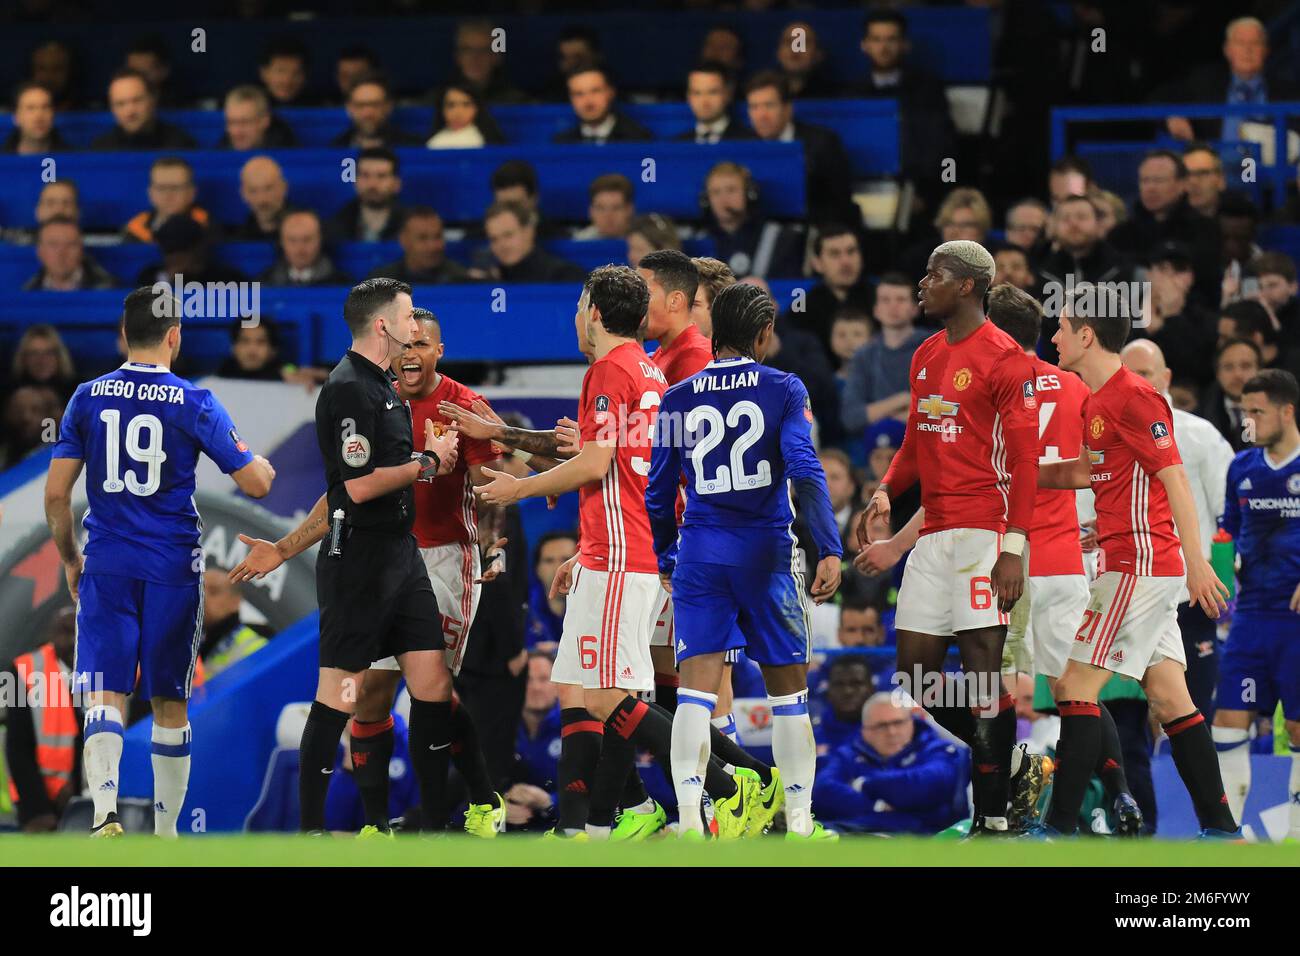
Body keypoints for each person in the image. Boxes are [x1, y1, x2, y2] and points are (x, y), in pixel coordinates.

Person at [470, 266, 756, 840]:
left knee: (606, 696)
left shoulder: (609, 369)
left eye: (579, 305)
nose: (575, 316)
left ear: (596, 312)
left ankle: (732, 784)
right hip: (619, 548)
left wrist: (517, 489)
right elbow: (611, 468)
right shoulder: (648, 370)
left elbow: (598, 464)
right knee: (583, 687)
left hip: (621, 552)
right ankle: (590, 826)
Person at [230, 304, 507, 836]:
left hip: (447, 557)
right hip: (383, 561)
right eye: (406, 344)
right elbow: (342, 496)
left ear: (439, 351)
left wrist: (495, 547)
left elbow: (491, 486)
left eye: (423, 345)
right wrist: (285, 548)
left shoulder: (464, 406)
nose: (412, 354)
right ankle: (378, 824)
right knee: (373, 694)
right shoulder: (377, 401)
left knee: (434, 691)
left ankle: (473, 801)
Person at [44, 286, 276, 837]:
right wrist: (261, 464)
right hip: (173, 567)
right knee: (170, 698)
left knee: (104, 689)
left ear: (124, 336)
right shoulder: (195, 403)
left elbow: (56, 496)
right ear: (175, 335)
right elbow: (256, 484)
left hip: (106, 563)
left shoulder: (87, 397)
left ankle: (102, 811)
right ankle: (168, 834)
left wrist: (71, 558)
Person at [1033, 279, 1239, 839]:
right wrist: (1015, 473)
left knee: (1074, 687)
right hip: (1133, 556)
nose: (1053, 336)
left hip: (1141, 567)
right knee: (1172, 697)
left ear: (1087, 334)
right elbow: (1084, 473)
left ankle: (1055, 831)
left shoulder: (1136, 397)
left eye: (1061, 327)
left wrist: (1197, 563)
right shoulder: (1100, 402)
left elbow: (1174, 478)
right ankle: (1221, 829)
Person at [852, 241, 1039, 836]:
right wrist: (885, 489)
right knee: (916, 674)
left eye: (935, 274)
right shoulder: (928, 354)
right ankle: (1010, 762)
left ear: (967, 286)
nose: (922, 283)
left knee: (983, 673)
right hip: (934, 534)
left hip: (985, 532)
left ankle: (994, 818)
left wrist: (1013, 548)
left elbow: (1028, 463)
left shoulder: (1006, 359)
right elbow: (916, 440)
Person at [646, 281, 843, 840]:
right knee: (789, 699)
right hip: (767, 554)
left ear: (713, 334)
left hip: (701, 554)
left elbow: (658, 493)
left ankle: (691, 823)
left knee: (692, 696)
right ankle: (800, 824)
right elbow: (805, 468)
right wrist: (828, 545)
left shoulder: (677, 397)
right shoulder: (784, 387)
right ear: (762, 334)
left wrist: (667, 552)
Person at [637, 251, 779, 835]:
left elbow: (660, 462)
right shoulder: (668, 359)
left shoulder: (692, 362)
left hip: (698, 541)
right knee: (670, 681)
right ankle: (734, 800)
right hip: (694, 542)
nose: (694, 320)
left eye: (698, 306)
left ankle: (736, 801)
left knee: (699, 682)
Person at [1122, 339, 1235, 718]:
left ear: (1166, 377)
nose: (1136, 382)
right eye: (1129, 373)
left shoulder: (1201, 435)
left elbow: (1230, 511)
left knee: (1194, 704)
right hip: (1131, 590)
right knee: (1133, 712)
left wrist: (1226, 573)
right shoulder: (1105, 431)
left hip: (1191, 589)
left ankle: (1197, 777)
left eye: (1145, 374)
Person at [1211, 369, 1300, 841]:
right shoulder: (1242, 468)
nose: (1249, 422)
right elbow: (1227, 532)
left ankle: (1297, 834)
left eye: (1258, 412)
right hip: (1250, 618)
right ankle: (1230, 832)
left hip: (1296, 622)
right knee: (1228, 718)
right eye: (1246, 412)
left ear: (1287, 411)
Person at [814, 693, 969, 834]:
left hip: (919, 841)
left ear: (911, 722)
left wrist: (864, 784)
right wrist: (878, 805)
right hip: (851, 835)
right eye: (881, 726)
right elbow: (822, 790)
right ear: (864, 731)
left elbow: (930, 784)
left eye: (898, 722)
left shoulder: (936, 749)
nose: (892, 732)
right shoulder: (846, 754)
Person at [856, 10, 956, 207]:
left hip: (915, 192)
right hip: (863, 189)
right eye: (876, 40)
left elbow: (943, 148)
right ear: (864, 45)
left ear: (905, 45)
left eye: (891, 40)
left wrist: (925, 194)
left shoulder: (928, 90)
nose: (883, 48)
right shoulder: (851, 94)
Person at [1108, 150, 1220, 307]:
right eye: (1145, 181)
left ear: (1182, 184)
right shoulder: (1120, 234)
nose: (1150, 188)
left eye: (1159, 180)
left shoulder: (1205, 230)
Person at [1160, 17, 1299, 143]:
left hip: (1269, 170)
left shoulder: (1289, 92)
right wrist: (1171, 116)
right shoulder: (1203, 83)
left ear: (1266, 50)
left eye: (1255, 43)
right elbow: (1159, 96)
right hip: (1216, 168)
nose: (1247, 50)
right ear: (1227, 50)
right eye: (1240, 43)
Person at [4, 607, 80, 832]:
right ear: (51, 635)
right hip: (39, 803)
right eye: (66, 632)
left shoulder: (99, 671)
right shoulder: (24, 671)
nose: (74, 640)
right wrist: (37, 811)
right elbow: (17, 748)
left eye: (79, 631)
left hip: (86, 803)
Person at [745, 71, 855, 227]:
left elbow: (840, 201)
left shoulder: (821, 143)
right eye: (754, 107)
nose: (761, 115)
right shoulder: (742, 146)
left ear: (788, 109)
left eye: (769, 105)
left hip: (812, 228)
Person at [1036, 194, 1135, 363]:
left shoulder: (1121, 270)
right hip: (1056, 369)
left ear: (1097, 223)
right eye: (1065, 218)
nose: (1074, 223)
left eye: (1082, 217)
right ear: (1054, 226)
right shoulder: (1039, 272)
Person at [840, 272, 928, 436]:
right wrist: (902, 399)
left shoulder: (932, 347)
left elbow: (946, 407)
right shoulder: (864, 356)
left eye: (900, 300)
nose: (893, 306)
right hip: (876, 448)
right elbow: (851, 417)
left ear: (915, 309)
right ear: (876, 310)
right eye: (885, 300)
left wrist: (883, 415)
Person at [700, 161, 803, 280]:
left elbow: (792, 291)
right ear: (706, 201)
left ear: (750, 194)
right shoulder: (700, 239)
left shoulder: (780, 239)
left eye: (731, 190)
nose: (723, 199)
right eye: (716, 192)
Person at [787, 225, 873, 362]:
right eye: (835, 254)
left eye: (851, 252)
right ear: (817, 264)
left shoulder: (879, 299)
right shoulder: (802, 306)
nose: (845, 262)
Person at [475, 201, 584, 283]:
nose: (501, 245)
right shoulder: (490, 283)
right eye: (494, 239)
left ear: (528, 232)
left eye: (508, 235)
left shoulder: (563, 276)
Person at [91, 69, 195, 151]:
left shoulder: (180, 145)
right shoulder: (100, 149)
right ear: (112, 109)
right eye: (120, 104)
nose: (130, 112)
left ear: (153, 99)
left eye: (137, 101)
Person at [552, 64, 652, 144]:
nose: (588, 101)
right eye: (578, 94)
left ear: (611, 92)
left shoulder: (638, 139)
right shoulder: (561, 142)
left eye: (595, 91)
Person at [368, 207, 469, 284]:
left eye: (438, 237)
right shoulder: (381, 284)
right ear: (404, 241)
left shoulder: (461, 279)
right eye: (423, 238)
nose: (433, 246)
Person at [199, 569, 270, 677]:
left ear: (235, 601)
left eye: (214, 591)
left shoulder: (257, 647)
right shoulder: (190, 637)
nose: (202, 597)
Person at [328, 147, 408, 243]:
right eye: (365, 175)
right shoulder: (337, 224)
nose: (372, 184)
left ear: (396, 184)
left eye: (381, 176)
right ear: (355, 181)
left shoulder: (411, 223)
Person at [122, 156, 209, 244]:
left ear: (192, 193)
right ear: (150, 193)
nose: (168, 195)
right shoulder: (136, 227)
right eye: (161, 188)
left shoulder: (205, 225)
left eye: (176, 188)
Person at [1200, 338, 1263, 452]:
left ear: (1260, 371)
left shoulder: (1281, 416)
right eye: (1228, 367)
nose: (1237, 374)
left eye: (1246, 366)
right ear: (1218, 374)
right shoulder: (1200, 418)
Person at [447, 18, 528, 106]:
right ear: (458, 56)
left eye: (484, 50)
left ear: (497, 56)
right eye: (467, 50)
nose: (475, 58)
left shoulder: (518, 102)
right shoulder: (436, 101)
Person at [261, 210, 352, 287]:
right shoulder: (264, 283)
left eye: (307, 239)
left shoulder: (343, 284)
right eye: (292, 240)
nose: (300, 248)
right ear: (281, 242)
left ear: (320, 240)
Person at [22, 218, 115, 291]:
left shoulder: (109, 289)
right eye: (53, 245)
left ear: (81, 251)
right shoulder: (27, 291)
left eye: (70, 244)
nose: (62, 253)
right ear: (40, 252)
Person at [331, 74, 422, 149]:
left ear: (388, 106)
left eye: (375, 105)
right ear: (349, 108)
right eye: (360, 105)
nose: (368, 113)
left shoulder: (414, 147)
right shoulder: (336, 148)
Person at [674, 61, 754, 144]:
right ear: (688, 96)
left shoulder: (748, 141)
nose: (704, 101)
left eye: (712, 92)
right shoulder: (676, 144)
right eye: (697, 93)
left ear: (728, 93)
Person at [526, 531, 578, 652]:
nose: (558, 568)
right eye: (549, 561)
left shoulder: (600, 609)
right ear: (537, 569)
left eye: (566, 559)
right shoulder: (520, 610)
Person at [814, 654, 876, 754]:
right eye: (839, 684)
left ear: (871, 688)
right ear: (828, 690)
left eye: (856, 683)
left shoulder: (887, 734)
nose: (847, 691)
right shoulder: (811, 737)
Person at [7, 324, 78, 402]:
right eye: (34, 354)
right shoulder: (9, 394)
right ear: (23, 359)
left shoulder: (78, 394)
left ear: (59, 357)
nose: (42, 361)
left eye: (48, 353)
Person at [426, 82, 505, 149]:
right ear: (442, 109)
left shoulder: (488, 142)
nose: (458, 112)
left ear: (477, 108)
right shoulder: (433, 141)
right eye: (451, 105)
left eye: (466, 105)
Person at [218, 85, 298, 150]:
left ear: (265, 122)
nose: (236, 132)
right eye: (231, 123)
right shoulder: (222, 149)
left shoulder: (286, 148)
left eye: (244, 122)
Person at [234, 155, 290, 242]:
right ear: (243, 194)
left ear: (283, 188)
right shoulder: (240, 235)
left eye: (268, 188)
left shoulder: (307, 227)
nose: (262, 199)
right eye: (253, 191)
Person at [3, 82, 70, 154]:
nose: (39, 116)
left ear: (53, 114)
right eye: (30, 108)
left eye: (45, 107)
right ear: (16, 117)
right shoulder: (3, 157)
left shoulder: (74, 157)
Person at [775, 21, 836, 99]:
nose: (795, 49)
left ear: (818, 54)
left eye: (803, 42)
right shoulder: (760, 92)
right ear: (778, 53)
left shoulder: (834, 96)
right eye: (788, 42)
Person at [572, 174, 635, 241]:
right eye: (600, 208)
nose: (608, 216)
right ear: (591, 211)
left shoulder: (644, 242)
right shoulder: (580, 242)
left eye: (616, 208)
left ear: (629, 210)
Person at [258, 37, 313, 110]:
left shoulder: (321, 107)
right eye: (280, 71)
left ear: (305, 76)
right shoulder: (242, 106)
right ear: (264, 73)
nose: (287, 80)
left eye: (296, 73)